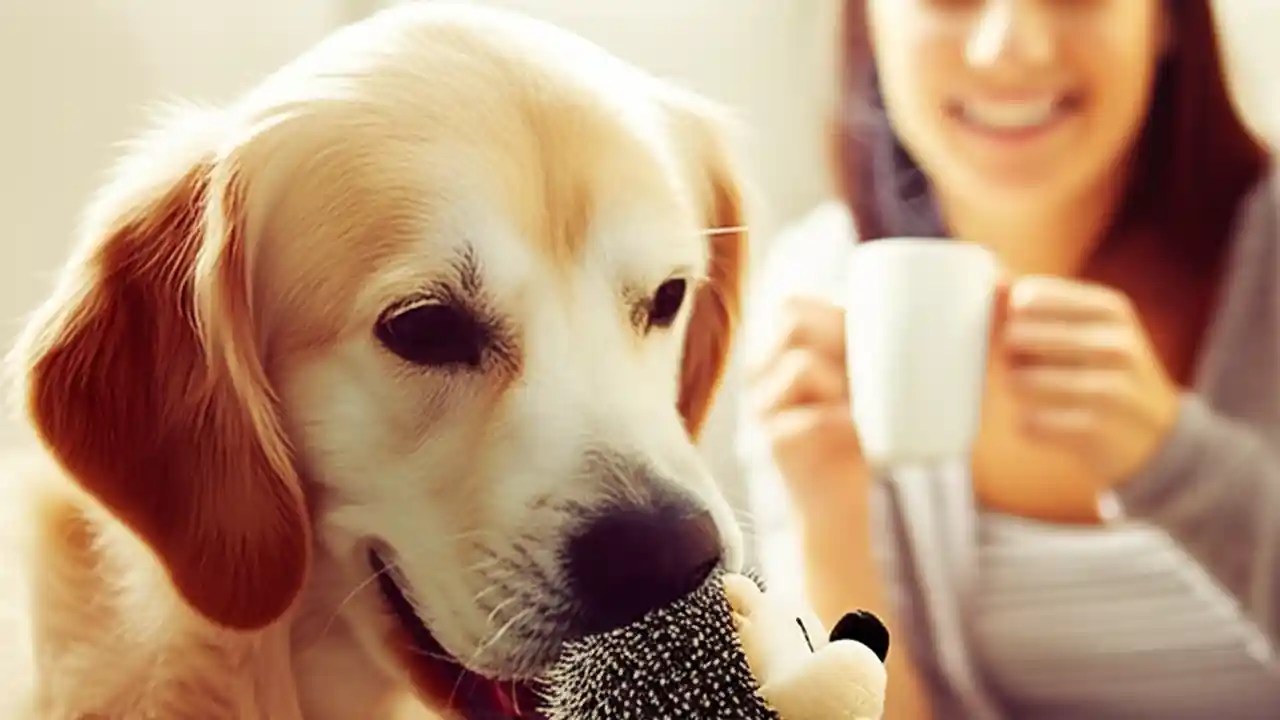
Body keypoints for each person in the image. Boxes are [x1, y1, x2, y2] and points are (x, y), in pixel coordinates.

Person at [737, 1, 1280, 718]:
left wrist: (1178, 464)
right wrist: (830, 516)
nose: (1006, 47)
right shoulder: (808, 290)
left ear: (1167, 19)